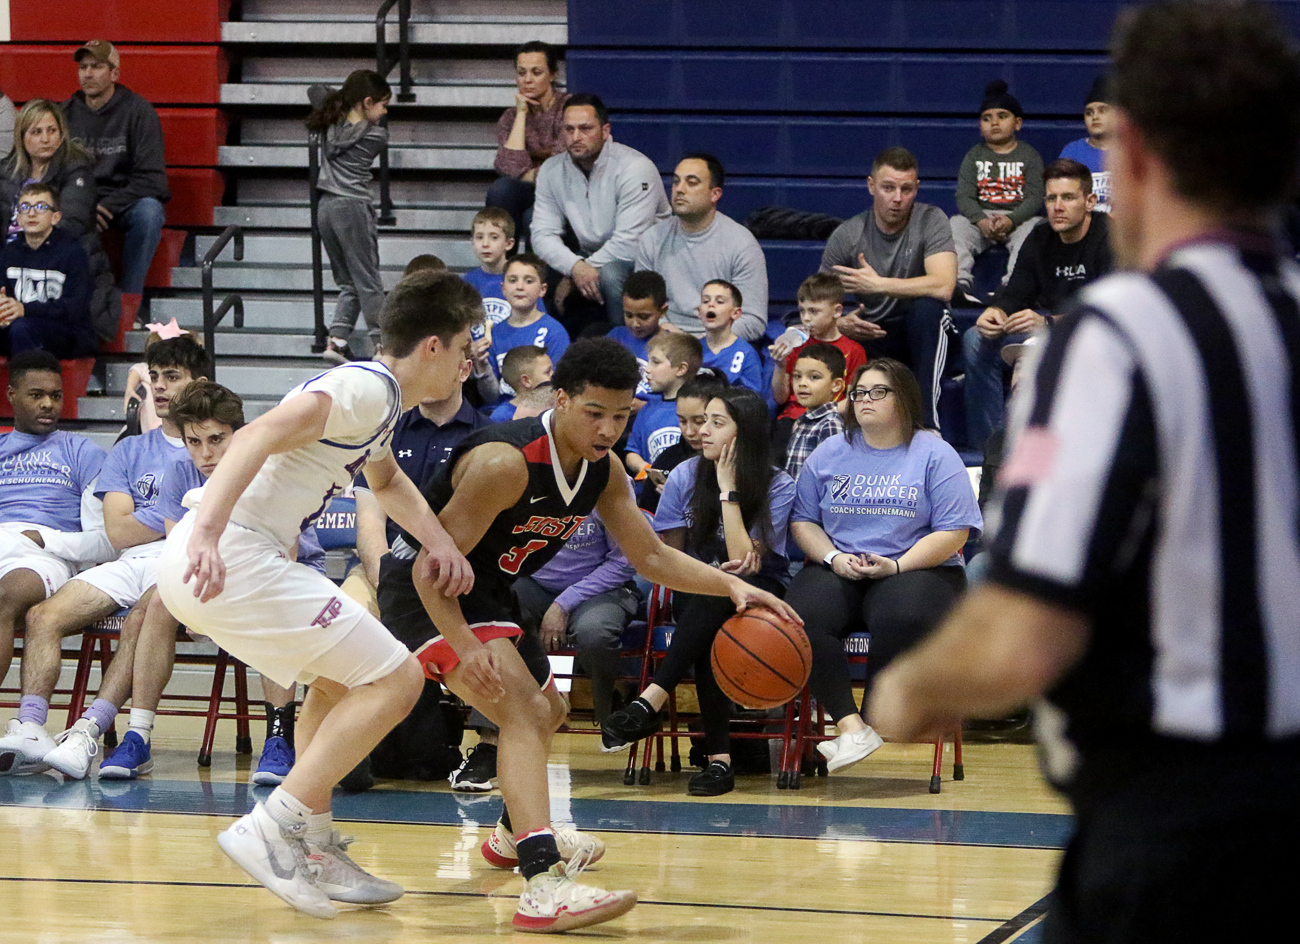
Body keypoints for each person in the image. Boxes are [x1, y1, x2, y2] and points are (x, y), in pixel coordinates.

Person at [868, 5, 1300, 941]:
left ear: (1132, 155)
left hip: (1186, 830)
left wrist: (903, 691)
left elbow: (1023, 635)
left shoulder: (1121, 334)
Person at [375, 337, 799, 930]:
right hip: (423, 594)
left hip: (486, 592)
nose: (608, 428)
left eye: (622, 415)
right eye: (594, 412)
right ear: (562, 398)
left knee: (547, 710)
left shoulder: (602, 473)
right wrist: (466, 649)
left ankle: (508, 835)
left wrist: (732, 588)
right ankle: (542, 883)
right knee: (522, 715)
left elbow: (649, 556)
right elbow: (428, 566)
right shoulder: (507, 462)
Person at [153, 270, 477, 918]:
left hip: (221, 558)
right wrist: (211, 535)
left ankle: (314, 843)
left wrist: (440, 542)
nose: (471, 364)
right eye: (467, 347)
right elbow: (255, 434)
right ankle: (274, 823)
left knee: (338, 681)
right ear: (433, 346)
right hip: (230, 554)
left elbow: (385, 483)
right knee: (398, 680)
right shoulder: (360, 388)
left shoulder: (379, 405)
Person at [0, 336, 209, 779]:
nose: (161, 388)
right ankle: (32, 728)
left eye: (173, 377)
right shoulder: (131, 449)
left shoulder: (217, 444)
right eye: (154, 378)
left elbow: (125, 530)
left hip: (185, 559)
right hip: (130, 559)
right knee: (43, 617)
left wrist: (151, 519)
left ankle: (88, 731)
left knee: (142, 620)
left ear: (200, 382)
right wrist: (176, 513)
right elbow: (118, 531)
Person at [94, 382, 322, 784]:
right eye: (194, 441)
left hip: (286, 571)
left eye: (217, 439)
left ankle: (280, 736)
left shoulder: (270, 467)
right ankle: (138, 735)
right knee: (163, 600)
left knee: (272, 600)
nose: (205, 453)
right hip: (212, 574)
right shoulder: (180, 472)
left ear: (240, 432)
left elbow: (284, 557)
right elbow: (177, 554)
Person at [784, 359, 981, 774]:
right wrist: (834, 558)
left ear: (904, 399)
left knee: (902, 614)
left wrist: (895, 566)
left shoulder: (934, 453)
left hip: (917, 566)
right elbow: (803, 520)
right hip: (840, 563)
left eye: (878, 392)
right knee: (798, 619)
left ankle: (879, 716)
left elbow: (955, 531)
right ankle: (851, 725)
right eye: (858, 392)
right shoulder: (830, 452)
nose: (864, 400)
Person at [601, 387, 797, 796]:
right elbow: (667, 557)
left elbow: (746, 561)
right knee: (712, 606)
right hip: (695, 587)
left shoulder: (779, 485)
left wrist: (727, 489)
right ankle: (717, 760)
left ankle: (653, 703)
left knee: (721, 604)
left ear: (746, 433)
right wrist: (709, 576)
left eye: (716, 423)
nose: (701, 432)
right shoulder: (684, 476)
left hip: (760, 592)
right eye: (702, 421)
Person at [962, 159, 1113, 448]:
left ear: (1090, 201)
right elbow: (1016, 293)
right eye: (1052, 198)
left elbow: (1108, 313)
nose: (1058, 206)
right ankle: (992, 451)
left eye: (1068, 197)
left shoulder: (1108, 236)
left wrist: (1047, 323)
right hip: (1048, 331)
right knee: (974, 338)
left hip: (1092, 335)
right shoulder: (1040, 236)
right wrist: (996, 312)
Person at [818, 147, 958, 428]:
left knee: (927, 309)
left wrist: (879, 284)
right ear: (871, 186)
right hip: (872, 334)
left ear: (916, 189)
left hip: (922, 334)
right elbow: (818, 302)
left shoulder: (931, 219)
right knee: (825, 338)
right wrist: (841, 323)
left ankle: (927, 426)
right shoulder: (849, 234)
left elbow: (944, 286)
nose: (897, 198)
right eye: (888, 188)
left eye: (906, 189)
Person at [0, 351, 106, 693]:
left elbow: (104, 535)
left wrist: (47, 541)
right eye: (36, 395)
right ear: (11, 395)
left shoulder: (82, 452)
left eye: (56, 396)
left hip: (42, 553)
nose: (48, 404)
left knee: (2, 598)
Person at [531, 94, 669, 331]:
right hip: (587, 258)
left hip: (643, 260)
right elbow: (541, 235)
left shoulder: (635, 168)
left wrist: (584, 268)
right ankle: (555, 353)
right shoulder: (551, 170)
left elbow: (630, 242)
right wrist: (575, 267)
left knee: (612, 274)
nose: (576, 137)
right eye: (569, 129)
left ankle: (628, 348)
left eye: (585, 129)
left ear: (605, 131)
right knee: (540, 274)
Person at [2, 98, 118, 343]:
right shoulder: (5, 173)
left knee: (22, 328)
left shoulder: (76, 169)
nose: (45, 139)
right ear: (22, 137)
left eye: (51, 131)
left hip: (57, 268)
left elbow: (71, 224)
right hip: (10, 269)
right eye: (36, 132)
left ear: (61, 134)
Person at [63, 40, 171, 300]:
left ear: (114, 74)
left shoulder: (139, 112)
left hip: (122, 202)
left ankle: (129, 299)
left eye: (97, 66)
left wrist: (109, 205)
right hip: (79, 199)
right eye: (83, 67)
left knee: (149, 212)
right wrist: (83, 205)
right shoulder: (64, 113)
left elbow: (154, 180)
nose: (87, 73)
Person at [519, 507, 642, 726]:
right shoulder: (517, 477)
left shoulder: (611, 482)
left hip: (601, 589)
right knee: (499, 616)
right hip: (533, 584)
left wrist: (563, 604)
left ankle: (608, 715)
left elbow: (624, 562)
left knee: (595, 633)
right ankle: (492, 739)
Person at [633, 153, 769, 341]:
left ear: (715, 194)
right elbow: (643, 306)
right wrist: (666, 328)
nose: (679, 189)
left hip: (718, 343)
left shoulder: (741, 244)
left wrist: (704, 342)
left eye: (692, 182)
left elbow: (753, 320)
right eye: (676, 181)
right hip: (664, 338)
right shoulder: (652, 238)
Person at [305, 70, 391, 364]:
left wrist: (342, 101)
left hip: (326, 208)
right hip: (353, 206)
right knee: (369, 280)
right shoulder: (377, 134)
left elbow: (316, 89)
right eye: (382, 104)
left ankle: (338, 339)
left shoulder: (331, 123)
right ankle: (383, 345)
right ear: (367, 102)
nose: (385, 110)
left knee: (348, 282)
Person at [950, 80, 1044, 300]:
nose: (994, 123)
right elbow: (964, 195)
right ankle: (959, 283)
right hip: (982, 220)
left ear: (1018, 123)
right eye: (987, 118)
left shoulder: (1029, 156)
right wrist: (980, 220)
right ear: (979, 126)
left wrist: (1011, 220)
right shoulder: (974, 155)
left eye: (1002, 116)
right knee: (956, 224)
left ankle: (1011, 285)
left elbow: (1034, 198)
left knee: (1035, 227)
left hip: (1017, 219)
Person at [487, 41, 571, 247]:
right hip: (530, 191)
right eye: (521, 72)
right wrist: (522, 113)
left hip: (565, 194)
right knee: (501, 190)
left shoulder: (570, 108)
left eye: (536, 72)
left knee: (533, 218)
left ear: (553, 75)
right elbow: (508, 166)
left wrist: (528, 173)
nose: (527, 80)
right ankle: (503, 268)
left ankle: (536, 276)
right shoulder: (510, 116)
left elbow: (557, 171)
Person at [0, 183, 95, 358]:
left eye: (41, 207)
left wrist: (25, 309)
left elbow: (74, 308)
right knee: (17, 327)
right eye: (25, 207)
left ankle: (27, 384)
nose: (32, 213)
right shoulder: (9, 253)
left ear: (55, 217)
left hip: (65, 331)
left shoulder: (73, 252)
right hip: (19, 325)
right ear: (18, 218)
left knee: (21, 328)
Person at [771, 273, 867, 437]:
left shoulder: (854, 351)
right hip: (793, 418)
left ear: (837, 311)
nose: (806, 318)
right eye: (802, 311)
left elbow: (852, 401)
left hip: (833, 420)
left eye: (814, 311)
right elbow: (780, 398)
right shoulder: (795, 345)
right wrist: (780, 365)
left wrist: (817, 418)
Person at [635, 370, 729, 513]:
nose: (689, 431)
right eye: (682, 421)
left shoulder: (737, 461)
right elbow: (647, 516)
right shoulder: (668, 459)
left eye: (699, 421)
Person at [623, 332, 703, 482]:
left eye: (655, 362)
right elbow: (632, 452)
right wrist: (645, 468)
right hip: (648, 497)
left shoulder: (698, 410)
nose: (647, 369)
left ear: (681, 369)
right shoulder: (646, 410)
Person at [487, 254, 569, 395]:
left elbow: (558, 388)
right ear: (503, 288)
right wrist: (482, 369)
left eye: (529, 281)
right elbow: (491, 396)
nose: (519, 287)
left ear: (542, 290)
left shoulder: (554, 332)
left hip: (539, 411)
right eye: (512, 280)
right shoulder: (495, 333)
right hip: (501, 412)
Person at [782, 343, 847, 484]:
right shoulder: (801, 422)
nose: (802, 383)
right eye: (797, 376)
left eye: (814, 377)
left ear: (836, 385)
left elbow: (833, 476)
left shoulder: (830, 423)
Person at [606, 269, 668, 399]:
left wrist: (646, 405)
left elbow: (676, 394)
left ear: (663, 311)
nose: (635, 323)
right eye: (628, 315)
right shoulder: (615, 337)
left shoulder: (673, 346)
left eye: (643, 317)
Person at [1058, 76, 1113, 212]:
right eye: (1089, 113)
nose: (1095, 117)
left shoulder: (1129, 150)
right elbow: (1062, 194)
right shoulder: (1072, 151)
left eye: (1102, 110)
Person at [698, 280, 762, 392]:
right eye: (705, 301)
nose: (711, 305)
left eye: (720, 301)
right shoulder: (691, 350)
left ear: (736, 313)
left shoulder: (746, 353)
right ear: (699, 312)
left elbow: (752, 399)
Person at [490, 346, 554, 423]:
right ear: (526, 381)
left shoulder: (560, 405)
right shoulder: (501, 418)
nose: (554, 375)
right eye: (547, 372)